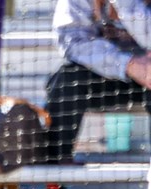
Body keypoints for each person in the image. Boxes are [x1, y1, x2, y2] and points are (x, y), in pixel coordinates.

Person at [41, 0, 151, 164]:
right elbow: (71, 41)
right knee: (66, 82)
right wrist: (127, 64)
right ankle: (54, 178)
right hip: (108, 70)